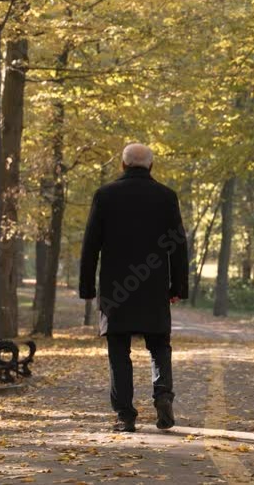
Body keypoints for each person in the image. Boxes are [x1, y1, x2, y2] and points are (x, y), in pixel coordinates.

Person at [79, 143, 189, 432]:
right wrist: (178, 286)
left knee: (118, 351)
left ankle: (125, 416)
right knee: (159, 345)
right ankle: (162, 395)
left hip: (116, 288)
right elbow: (178, 245)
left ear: (123, 165)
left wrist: (87, 287)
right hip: (153, 287)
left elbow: (91, 245)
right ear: (151, 166)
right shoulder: (166, 197)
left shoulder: (105, 195)